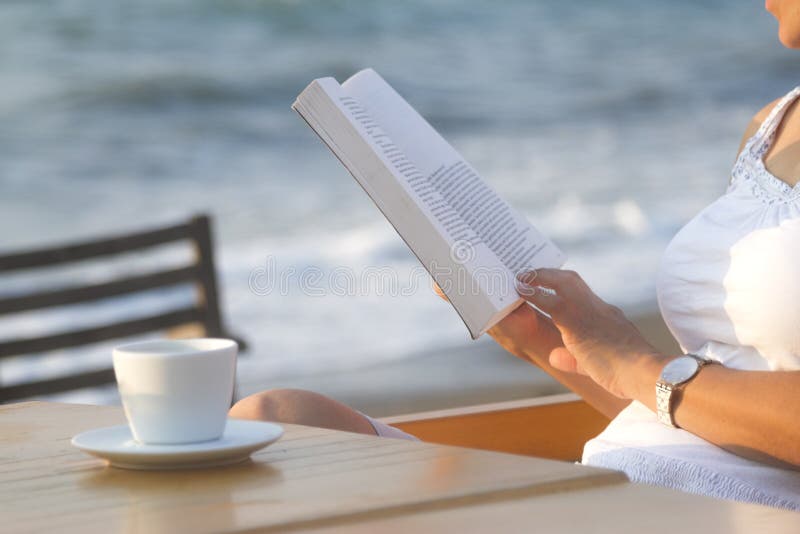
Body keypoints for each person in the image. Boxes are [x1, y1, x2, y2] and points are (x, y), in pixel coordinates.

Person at [231, 1, 800, 509]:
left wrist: (637, 361)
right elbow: (702, 410)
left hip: (713, 512)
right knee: (278, 418)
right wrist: (534, 338)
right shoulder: (770, 126)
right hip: (615, 479)